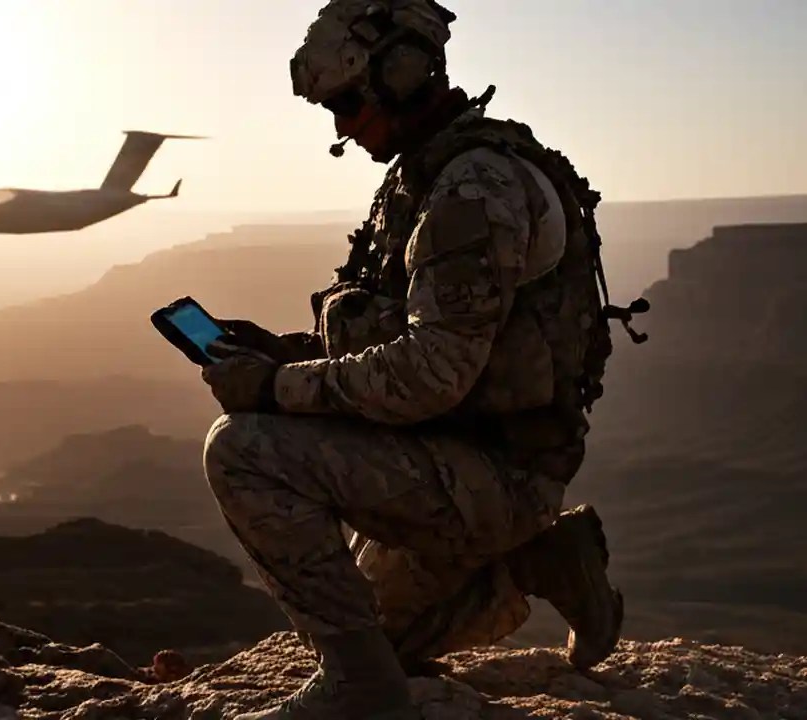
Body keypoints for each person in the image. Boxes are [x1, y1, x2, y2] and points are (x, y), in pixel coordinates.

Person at [201, 1, 642, 717]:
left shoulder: (475, 189)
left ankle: (362, 692)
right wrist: (293, 354)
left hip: (490, 473)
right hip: (452, 457)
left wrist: (277, 388)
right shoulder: (427, 174)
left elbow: (432, 372)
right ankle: (540, 557)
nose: (343, 127)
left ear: (402, 75)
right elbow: (415, 336)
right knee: (385, 635)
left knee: (243, 450)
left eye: (347, 102)